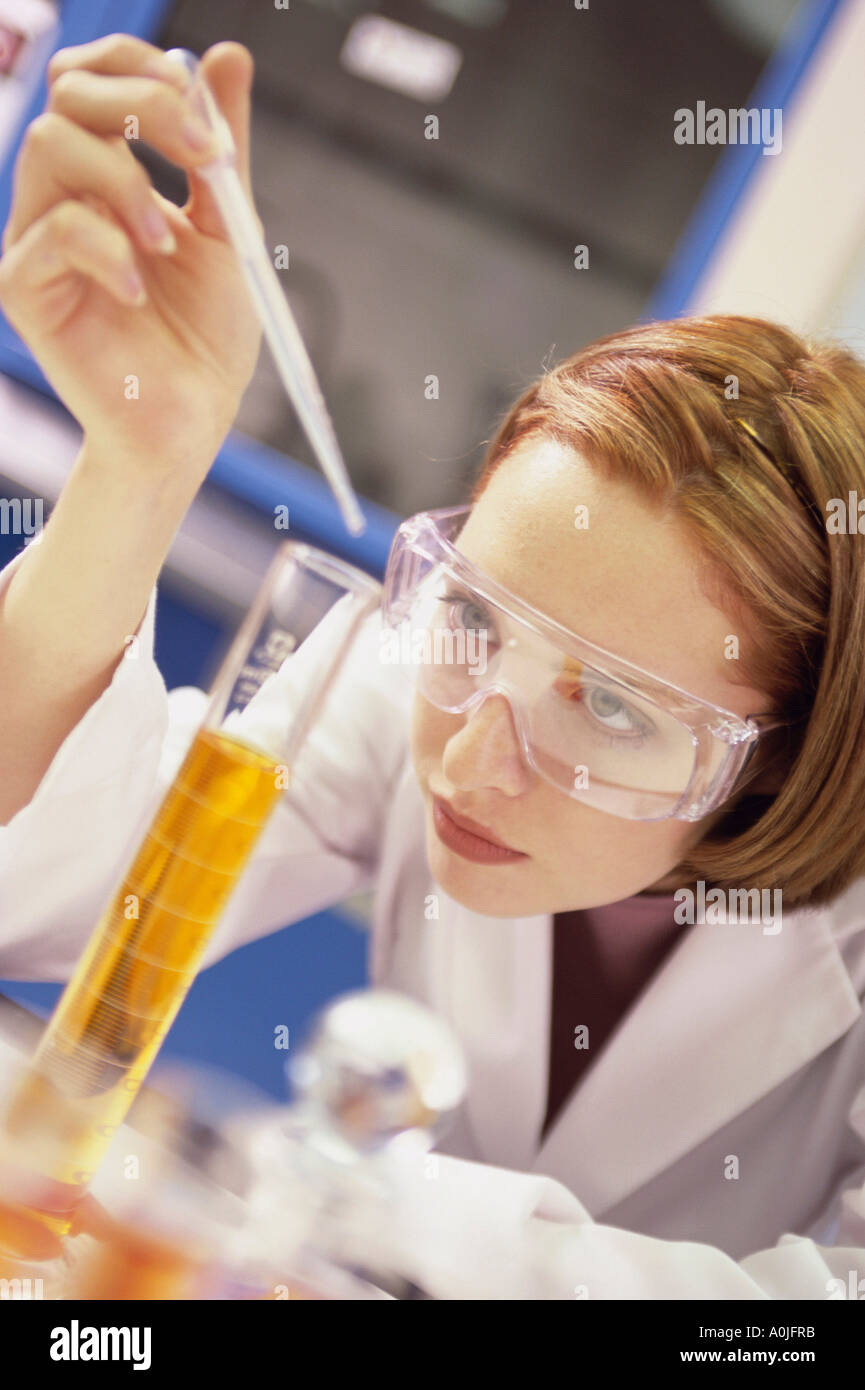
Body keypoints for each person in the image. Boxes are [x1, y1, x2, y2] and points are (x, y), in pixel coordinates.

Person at [0, 33, 864, 1300]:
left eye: (615, 706)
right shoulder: (427, 662)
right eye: (474, 618)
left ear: (795, 755)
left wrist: (377, 1203)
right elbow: (44, 893)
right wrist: (142, 459)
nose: (467, 753)